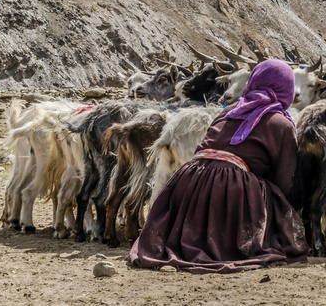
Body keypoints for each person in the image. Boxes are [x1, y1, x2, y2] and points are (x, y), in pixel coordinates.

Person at [128, 59, 309, 273]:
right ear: (286, 88)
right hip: (233, 185)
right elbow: (283, 181)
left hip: (189, 179)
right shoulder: (283, 123)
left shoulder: (229, 110)